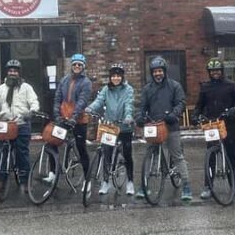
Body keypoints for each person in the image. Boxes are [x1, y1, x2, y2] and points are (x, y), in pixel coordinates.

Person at [136, 56, 192, 201]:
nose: (157, 74)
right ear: (152, 73)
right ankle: (144, 185)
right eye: (155, 71)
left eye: (160, 71)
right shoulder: (147, 89)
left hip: (170, 125)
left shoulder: (174, 86)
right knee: (149, 157)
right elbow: (142, 107)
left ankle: (186, 186)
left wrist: (174, 114)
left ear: (164, 71)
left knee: (177, 156)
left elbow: (181, 103)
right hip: (154, 126)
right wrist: (140, 117)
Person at [193, 58, 235, 201]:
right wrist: (195, 115)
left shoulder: (231, 85)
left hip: (228, 124)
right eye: (212, 71)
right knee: (210, 156)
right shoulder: (205, 87)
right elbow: (199, 105)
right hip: (211, 124)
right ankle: (208, 186)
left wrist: (233, 110)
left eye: (217, 70)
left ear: (222, 71)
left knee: (232, 155)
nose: (215, 73)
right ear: (209, 72)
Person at [0, 59, 39, 191]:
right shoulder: (1, 89)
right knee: (3, 152)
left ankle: (25, 181)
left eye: (15, 71)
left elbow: (34, 102)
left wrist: (32, 112)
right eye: (10, 71)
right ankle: (2, 181)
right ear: (7, 72)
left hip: (21, 123)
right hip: (5, 125)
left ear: (19, 73)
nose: (12, 73)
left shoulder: (26, 88)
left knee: (22, 153)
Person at [85, 63, 136, 196]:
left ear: (122, 77)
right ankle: (105, 182)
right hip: (110, 126)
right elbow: (99, 101)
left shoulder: (128, 89)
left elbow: (129, 104)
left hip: (124, 126)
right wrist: (90, 108)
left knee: (127, 154)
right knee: (106, 153)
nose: (116, 78)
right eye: (113, 76)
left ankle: (130, 182)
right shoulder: (106, 90)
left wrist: (128, 116)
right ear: (110, 77)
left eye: (118, 76)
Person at [51, 53, 92, 185]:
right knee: (53, 141)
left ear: (83, 67)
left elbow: (82, 101)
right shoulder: (64, 80)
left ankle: (87, 179)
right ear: (72, 66)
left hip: (78, 120)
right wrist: (57, 114)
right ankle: (53, 172)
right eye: (75, 64)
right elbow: (58, 98)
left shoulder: (86, 82)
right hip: (63, 117)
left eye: (80, 65)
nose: (77, 66)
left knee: (81, 148)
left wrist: (74, 117)